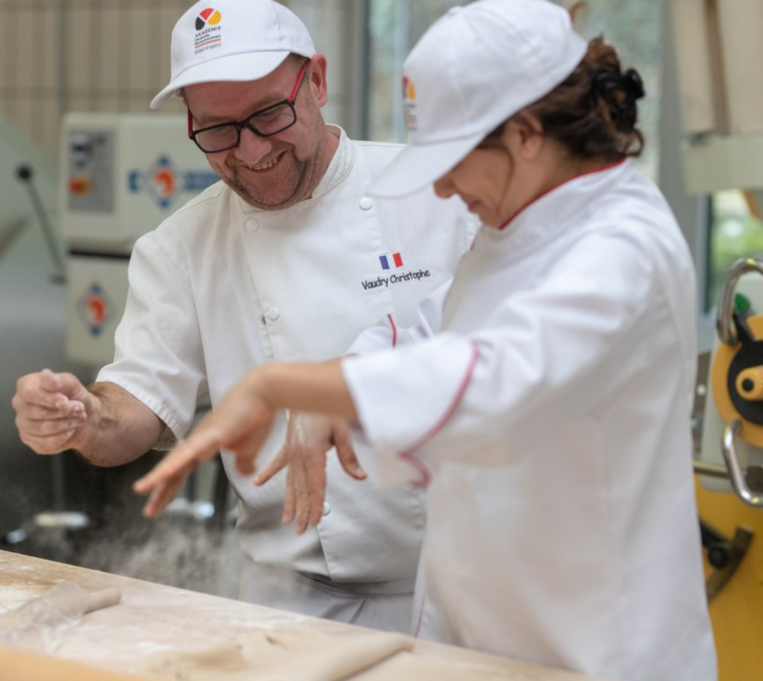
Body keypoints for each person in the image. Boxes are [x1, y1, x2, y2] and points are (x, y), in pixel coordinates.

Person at [133, 0, 717, 679]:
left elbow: (496, 385)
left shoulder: (622, 248)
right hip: (485, 638)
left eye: (453, 160)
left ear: (526, 133)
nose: (440, 186)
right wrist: (338, 382)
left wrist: (281, 384)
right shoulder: (517, 230)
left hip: (595, 649)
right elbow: (418, 325)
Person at [11, 0, 474, 633]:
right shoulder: (181, 247)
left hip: (455, 584)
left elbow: (504, 360)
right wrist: (83, 418)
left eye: (266, 115)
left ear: (315, 80)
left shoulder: (436, 193)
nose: (250, 149)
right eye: (218, 131)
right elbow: (135, 407)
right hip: (288, 598)